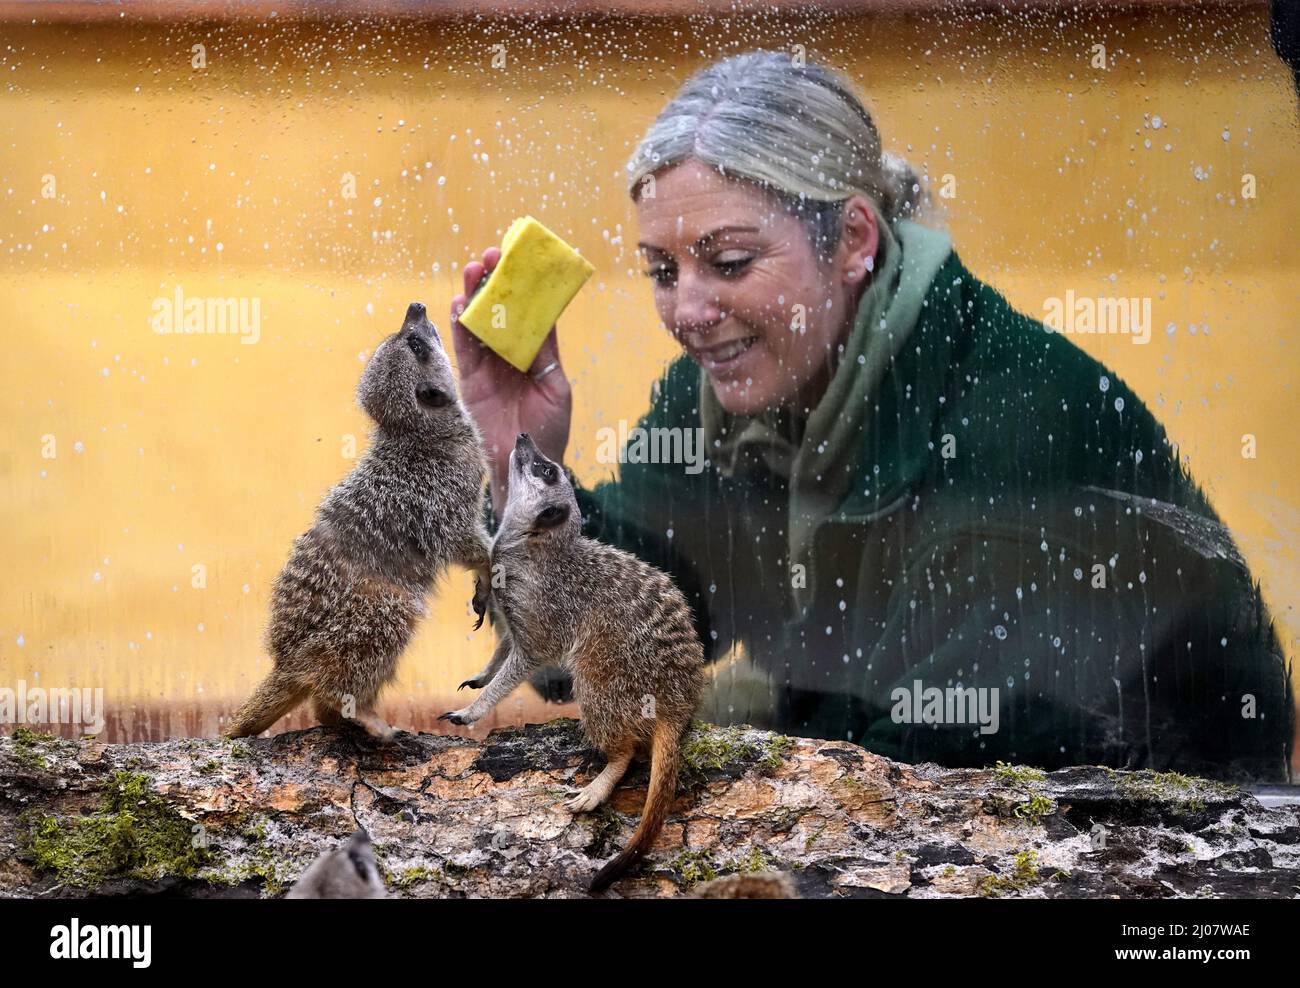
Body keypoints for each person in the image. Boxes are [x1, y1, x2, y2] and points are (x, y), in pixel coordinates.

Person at [450, 50, 1293, 782]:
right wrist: (521, 474)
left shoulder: (1014, 420)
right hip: (915, 768)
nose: (689, 312)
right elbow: (616, 661)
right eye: (662, 270)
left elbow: (927, 780)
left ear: (855, 239)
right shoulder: (718, 393)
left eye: (729, 262)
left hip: (1172, 834)